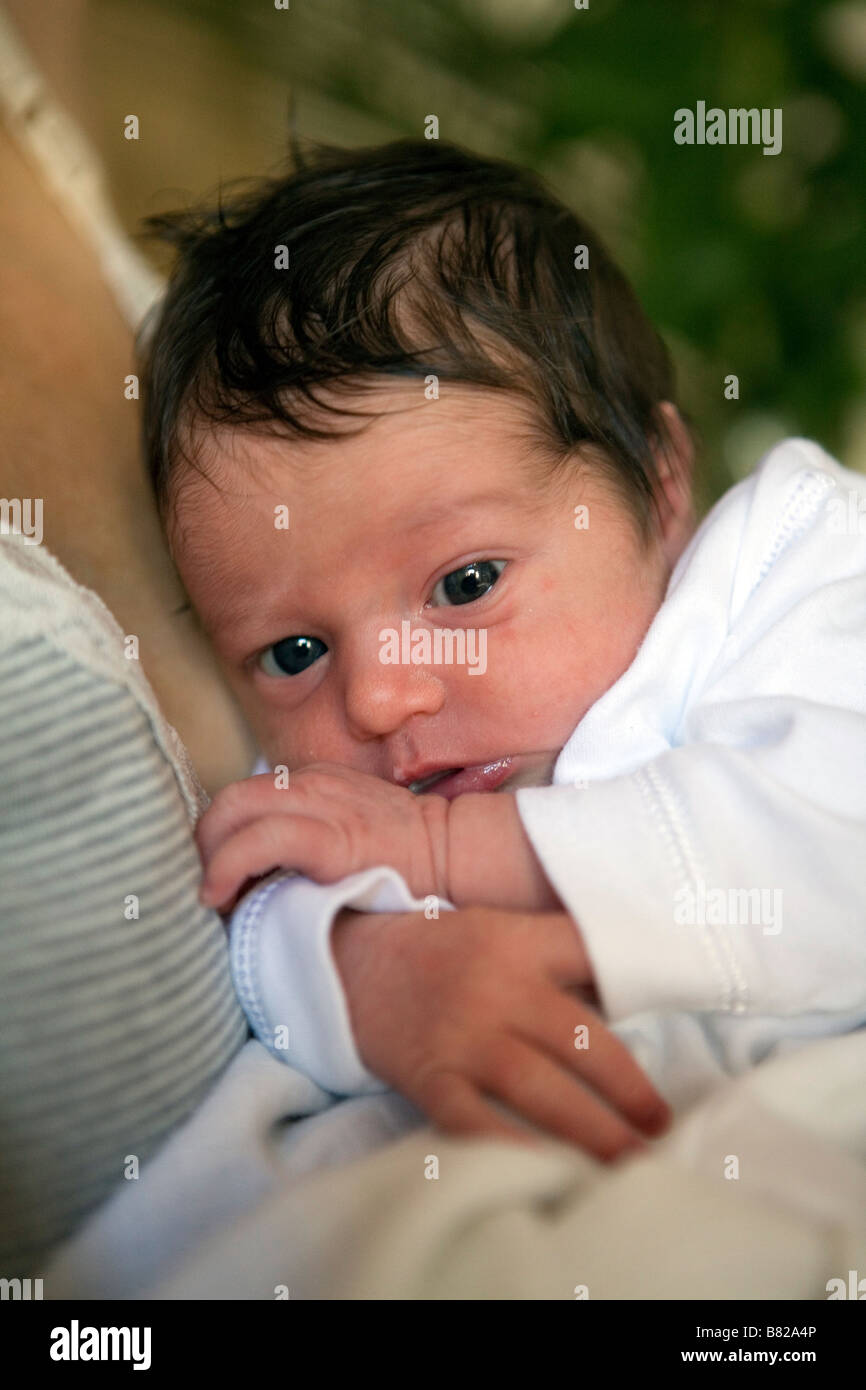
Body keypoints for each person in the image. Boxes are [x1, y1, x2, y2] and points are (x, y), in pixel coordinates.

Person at [140, 137, 866, 1160]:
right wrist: (375, 968)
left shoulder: (791, 564)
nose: (378, 698)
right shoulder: (348, 806)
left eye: (465, 584)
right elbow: (256, 904)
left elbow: (834, 832)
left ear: (657, 486)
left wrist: (439, 854)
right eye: (296, 649)